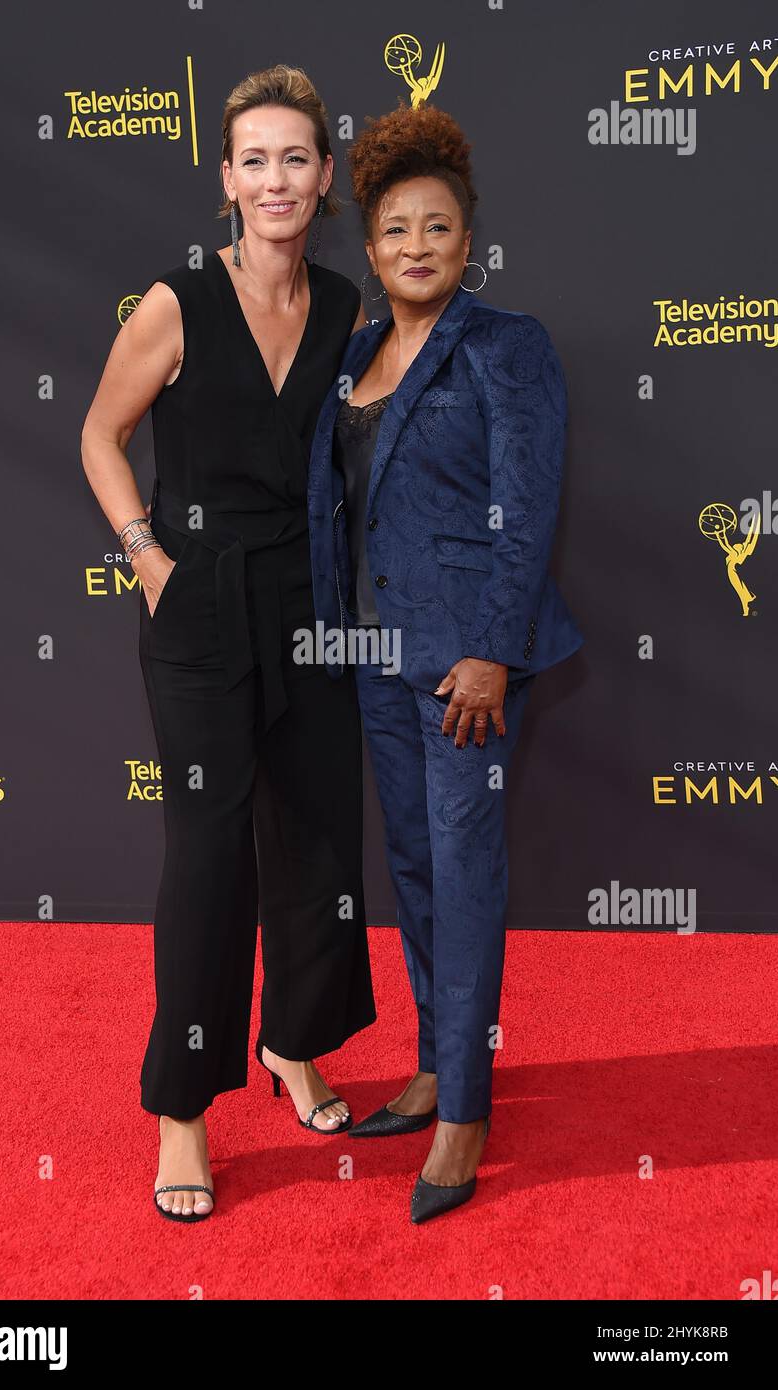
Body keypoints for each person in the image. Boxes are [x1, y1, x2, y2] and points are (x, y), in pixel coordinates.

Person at [81, 64, 376, 1224]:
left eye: (295, 157)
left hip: (311, 603)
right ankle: (183, 1112)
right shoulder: (176, 300)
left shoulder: (348, 306)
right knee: (208, 861)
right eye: (252, 158)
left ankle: (295, 1044)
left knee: (312, 842)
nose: (275, 178)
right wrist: (148, 559)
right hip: (199, 606)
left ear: (325, 176)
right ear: (225, 180)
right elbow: (101, 435)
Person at [307, 102, 584, 1223]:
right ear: (368, 251)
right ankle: (431, 1064)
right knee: (415, 870)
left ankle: (464, 1108)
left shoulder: (506, 345)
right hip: (373, 654)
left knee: (465, 877)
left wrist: (489, 652)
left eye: (436, 228)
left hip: (461, 666)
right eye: (393, 231)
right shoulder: (359, 351)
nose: (415, 246)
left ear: (467, 244)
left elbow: (529, 512)